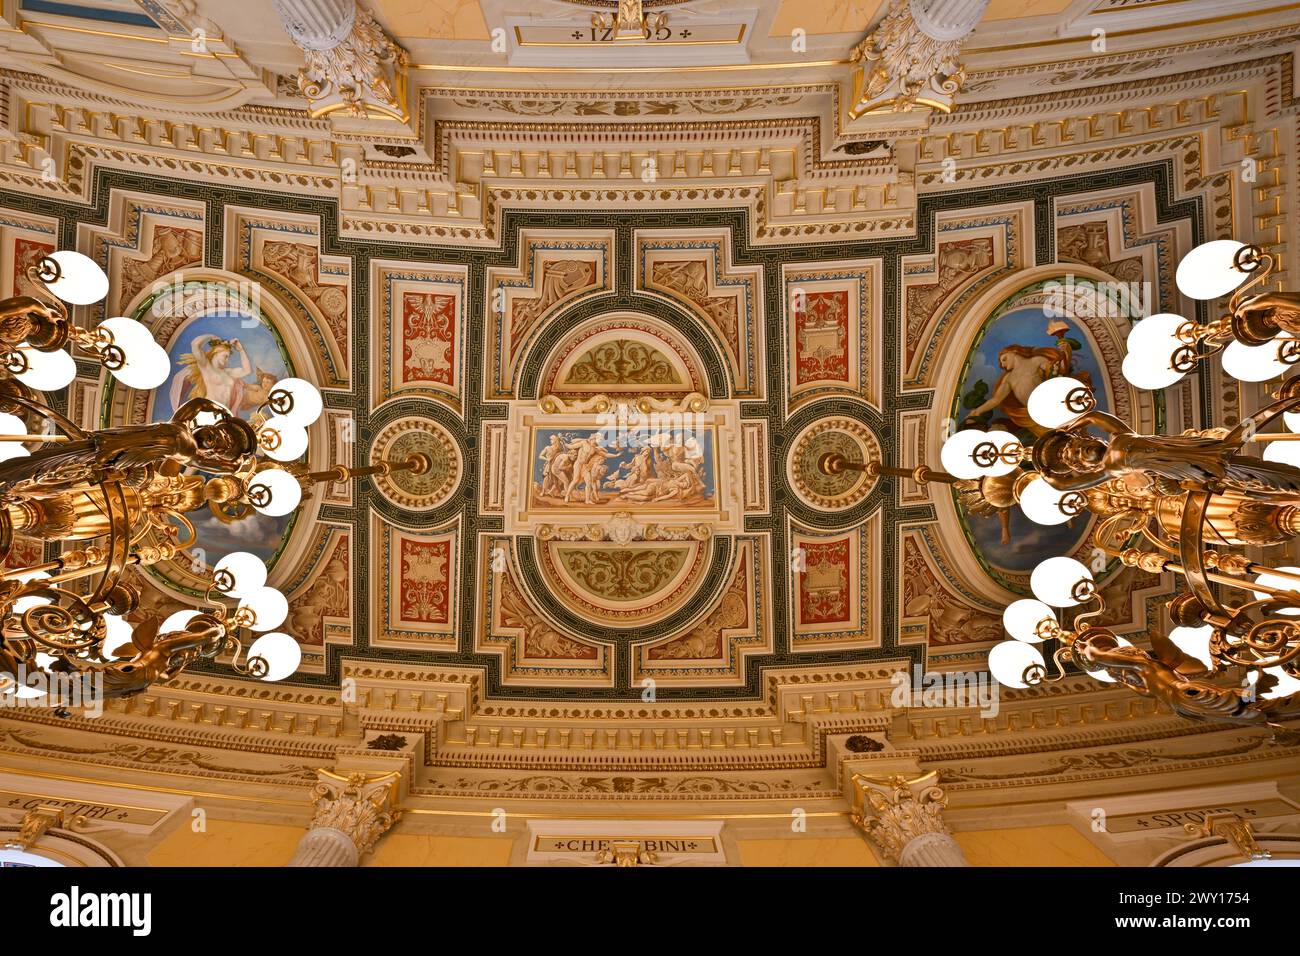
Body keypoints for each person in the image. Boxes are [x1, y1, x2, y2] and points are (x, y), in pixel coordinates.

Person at [1032, 408, 1300, 494]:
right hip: (1178, 465)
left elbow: (1094, 415)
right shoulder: (1109, 470)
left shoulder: (1121, 434)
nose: (1079, 450)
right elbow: (1065, 485)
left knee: (1226, 454)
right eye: (1073, 457)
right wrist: (1046, 473)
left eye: (1075, 444)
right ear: (1084, 468)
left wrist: (1066, 427)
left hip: (1185, 446)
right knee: (1236, 470)